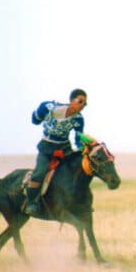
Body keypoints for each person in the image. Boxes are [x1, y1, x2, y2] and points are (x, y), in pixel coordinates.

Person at [24, 88, 88, 216]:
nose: (82, 106)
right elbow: (36, 120)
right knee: (39, 173)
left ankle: (79, 203)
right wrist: (38, 115)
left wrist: (83, 149)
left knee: (75, 172)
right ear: (71, 100)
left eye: (84, 104)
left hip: (64, 149)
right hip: (46, 148)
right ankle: (31, 203)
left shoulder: (79, 119)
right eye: (80, 101)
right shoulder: (50, 107)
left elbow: (78, 138)